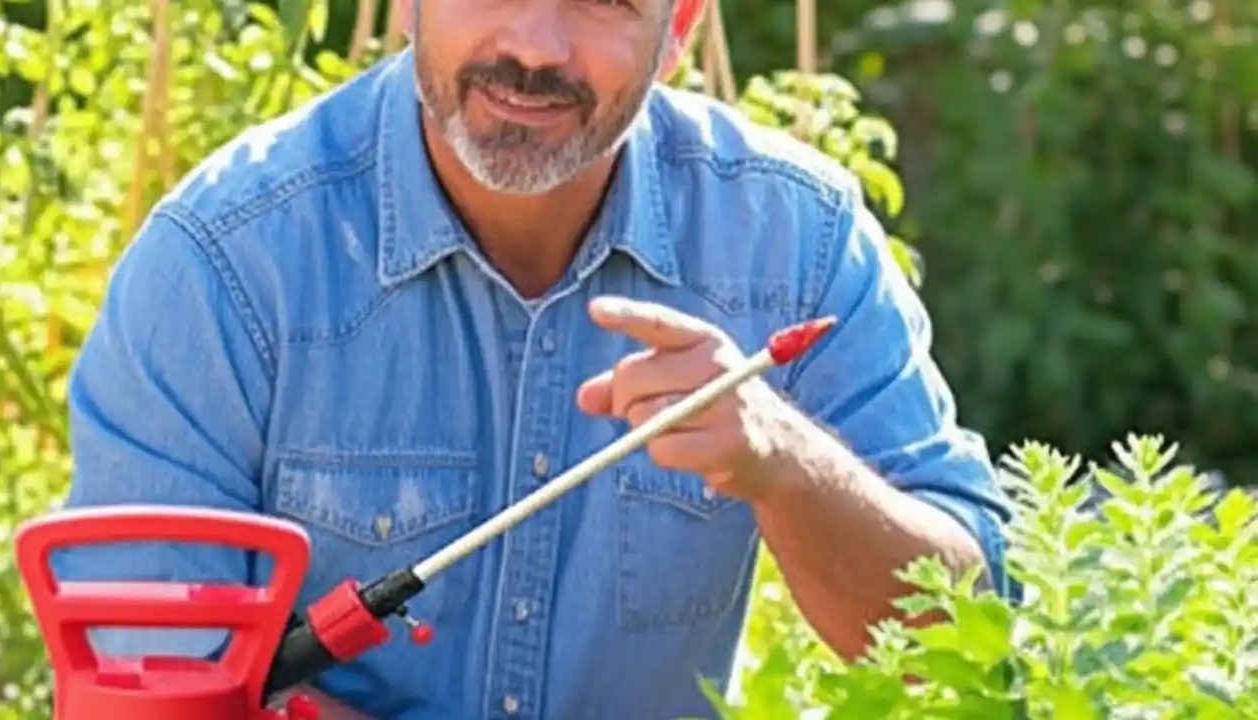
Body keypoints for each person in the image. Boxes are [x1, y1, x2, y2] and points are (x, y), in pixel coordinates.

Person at [54, 0, 1013, 717]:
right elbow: (146, 689)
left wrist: (784, 466)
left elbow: (967, 647)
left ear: (677, 25)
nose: (534, 47)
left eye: (600, 1)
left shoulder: (798, 240)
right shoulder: (224, 261)